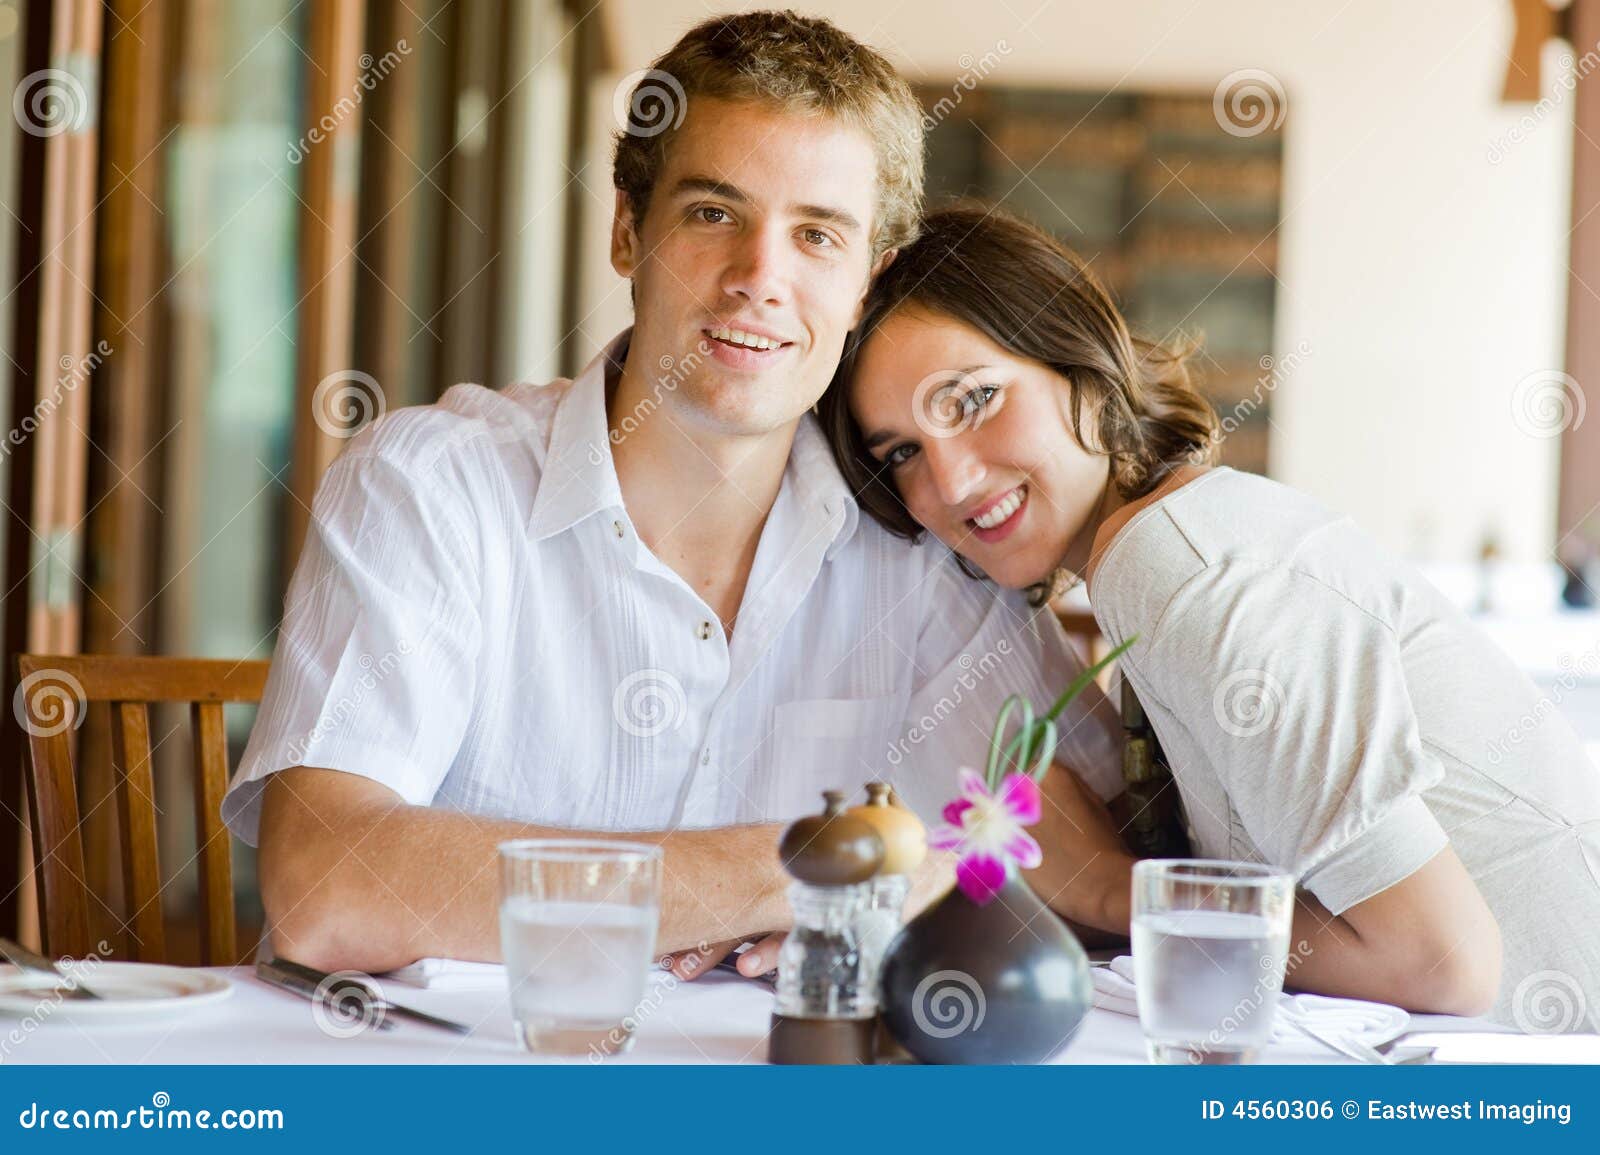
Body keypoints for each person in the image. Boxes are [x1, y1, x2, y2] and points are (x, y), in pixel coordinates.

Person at [222, 16, 1122, 982]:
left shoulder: (921, 539)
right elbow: (327, 887)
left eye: (817, 235)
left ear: (868, 283)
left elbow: (1090, 868)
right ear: (626, 229)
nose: (758, 280)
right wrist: (783, 866)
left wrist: (935, 878)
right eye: (711, 213)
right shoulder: (432, 485)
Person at [821, 203, 1600, 1027]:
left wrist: (1100, 882)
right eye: (901, 452)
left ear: (1082, 364)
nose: (947, 480)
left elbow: (1443, 964)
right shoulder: (1166, 547)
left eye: (973, 399)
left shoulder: (1183, 568)